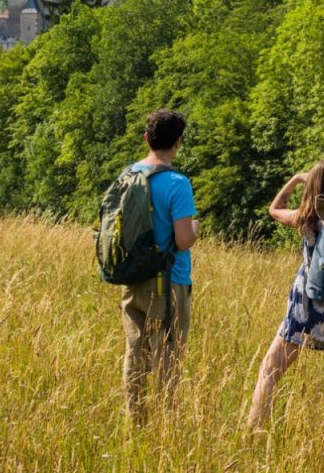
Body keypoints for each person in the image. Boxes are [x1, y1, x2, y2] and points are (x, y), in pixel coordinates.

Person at [247, 158, 324, 432]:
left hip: (307, 307)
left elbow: (274, 209)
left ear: (313, 187)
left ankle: (253, 434)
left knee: (270, 370)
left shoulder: (307, 219)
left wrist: (295, 179)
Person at [120, 108, 198, 420]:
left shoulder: (127, 176)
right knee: (168, 356)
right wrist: (195, 228)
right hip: (169, 282)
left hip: (131, 278)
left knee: (135, 353)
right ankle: (167, 426)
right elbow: (183, 240)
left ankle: (135, 421)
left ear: (146, 138)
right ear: (178, 143)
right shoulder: (178, 183)